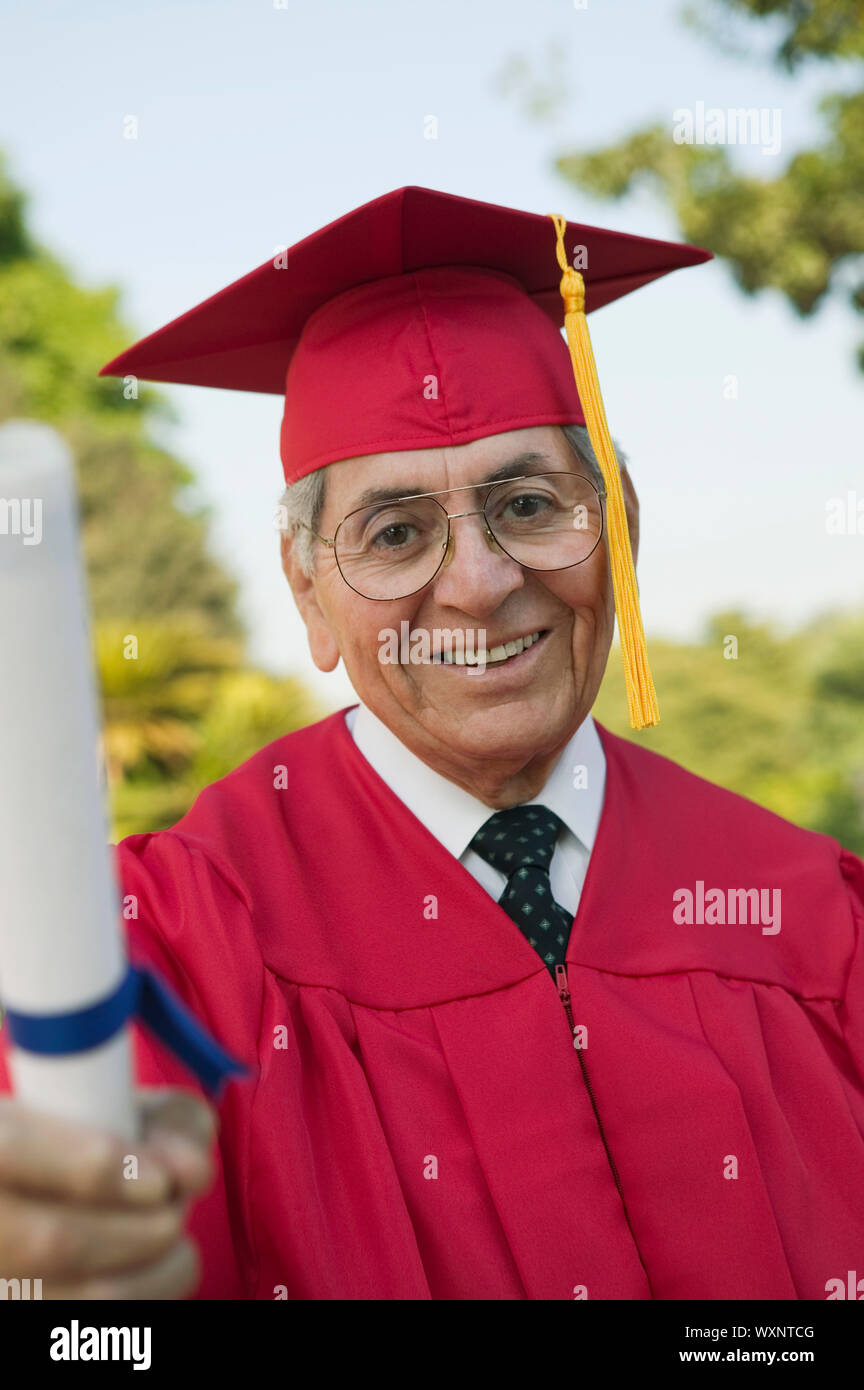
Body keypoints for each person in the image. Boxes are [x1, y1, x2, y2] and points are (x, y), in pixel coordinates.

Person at [1, 186, 862, 1301]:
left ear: (623, 525)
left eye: (529, 503)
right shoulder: (166, 943)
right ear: (309, 594)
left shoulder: (814, 916)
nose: (480, 584)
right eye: (396, 532)